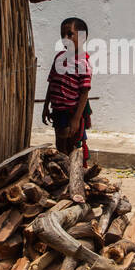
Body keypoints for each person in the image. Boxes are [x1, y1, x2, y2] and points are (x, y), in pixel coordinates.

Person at [42, 17, 92, 162]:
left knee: (71, 146)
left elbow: (84, 93)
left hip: (71, 112)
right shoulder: (59, 58)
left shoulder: (82, 63)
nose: (65, 39)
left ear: (82, 37)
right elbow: (52, 84)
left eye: (70, 34)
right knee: (60, 145)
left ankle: (72, 176)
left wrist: (76, 119)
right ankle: (63, 177)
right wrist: (46, 107)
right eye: (62, 35)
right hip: (57, 111)